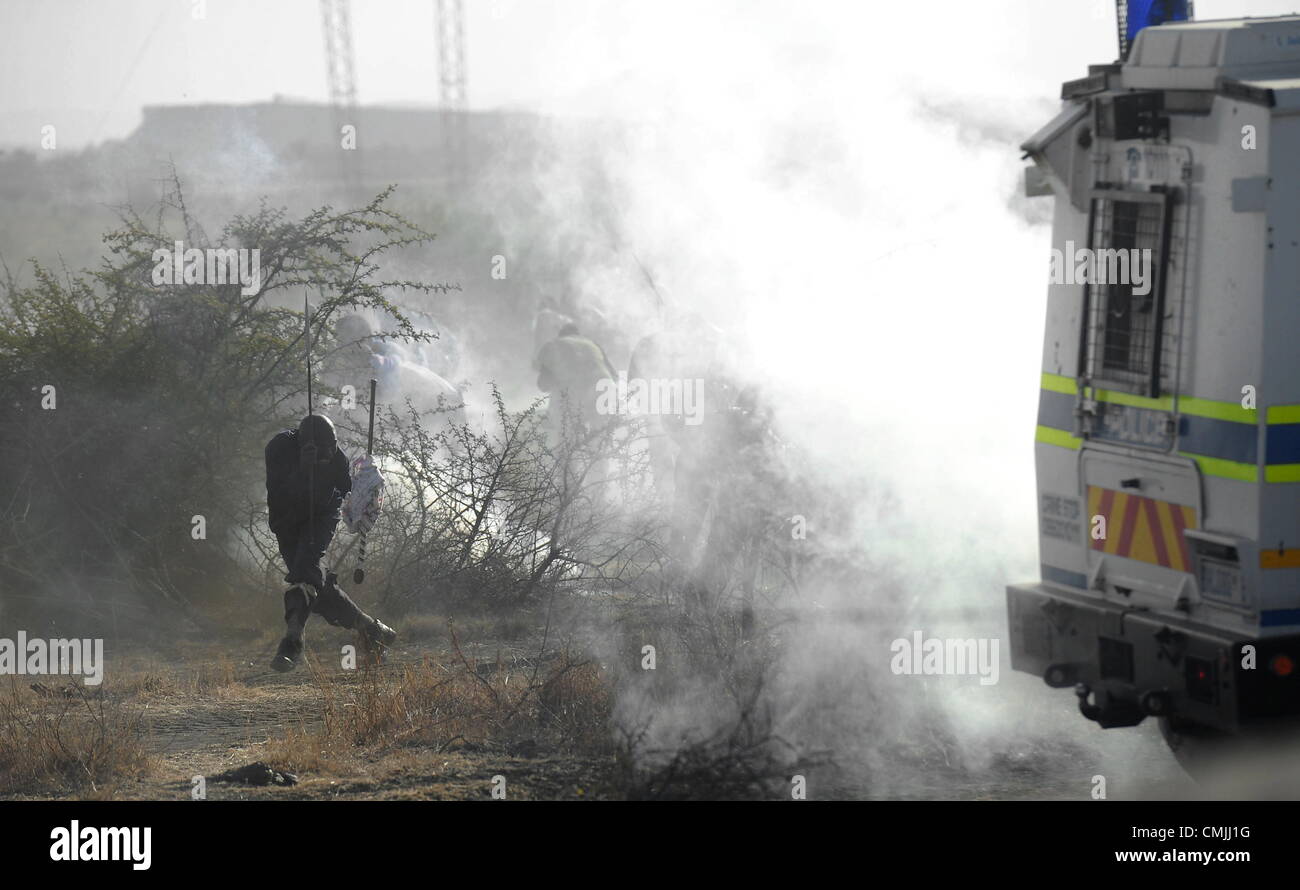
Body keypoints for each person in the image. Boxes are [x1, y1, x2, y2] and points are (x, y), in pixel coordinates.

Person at [265, 413, 396, 672]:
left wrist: (367, 480)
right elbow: (280, 493)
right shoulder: (279, 448)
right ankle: (372, 630)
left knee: (305, 572)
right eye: (323, 450)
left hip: (320, 519)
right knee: (319, 590)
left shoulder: (337, 459)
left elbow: (349, 492)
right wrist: (304, 468)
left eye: (333, 446)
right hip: (287, 520)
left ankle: (292, 641)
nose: (330, 454)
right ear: (303, 444)